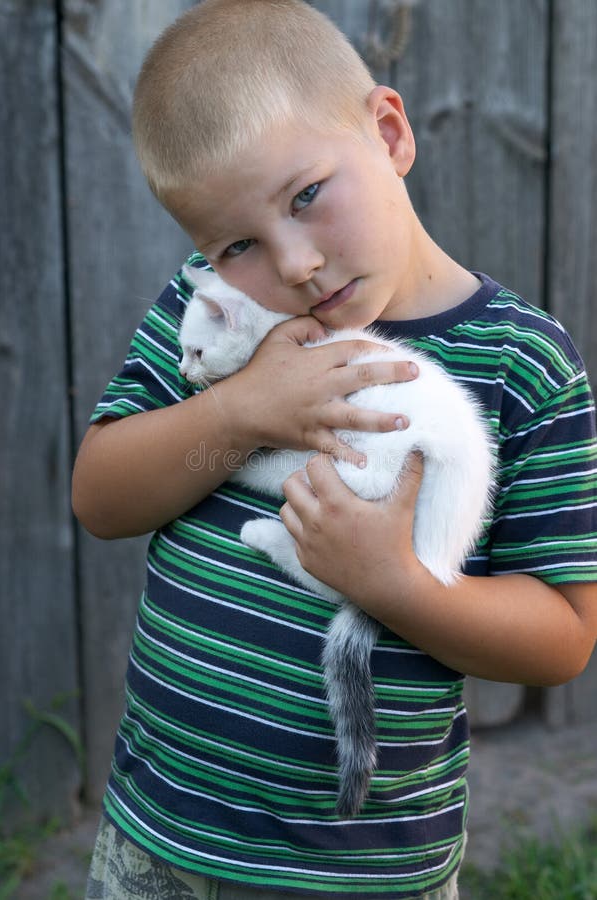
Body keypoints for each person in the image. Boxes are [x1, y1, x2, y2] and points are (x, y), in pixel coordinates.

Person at [73, 1, 597, 897]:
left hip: (365, 865)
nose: (295, 267)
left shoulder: (521, 360)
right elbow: (101, 500)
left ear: (389, 132)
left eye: (307, 196)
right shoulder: (217, 318)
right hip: (160, 830)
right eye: (238, 243)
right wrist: (239, 414)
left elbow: (563, 638)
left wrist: (394, 583)